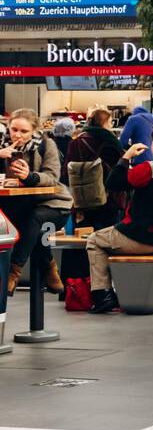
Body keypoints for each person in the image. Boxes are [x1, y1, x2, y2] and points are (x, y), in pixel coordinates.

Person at [86, 127, 153, 314]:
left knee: (94, 240)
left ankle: (102, 295)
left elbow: (114, 183)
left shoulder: (150, 169)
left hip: (144, 237)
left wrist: (126, 156)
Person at [1, 108, 72, 297]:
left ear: (34, 130)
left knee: (33, 220)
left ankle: (12, 273)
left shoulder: (46, 145)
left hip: (54, 203)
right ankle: (49, 265)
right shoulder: (3, 147)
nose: (18, 135)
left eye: (24, 131)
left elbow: (52, 177)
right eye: (14, 129)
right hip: (19, 204)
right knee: (31, 227)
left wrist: (29, 176)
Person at [67, 108, 127, 232]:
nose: (111, 126)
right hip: (107, 197)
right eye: (110, 123)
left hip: (82, 198)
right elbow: (118, 169)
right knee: (106, 235)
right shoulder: (110, 141)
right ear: (103, 123)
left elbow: (65, 170)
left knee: (83, 234)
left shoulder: (77, 141)